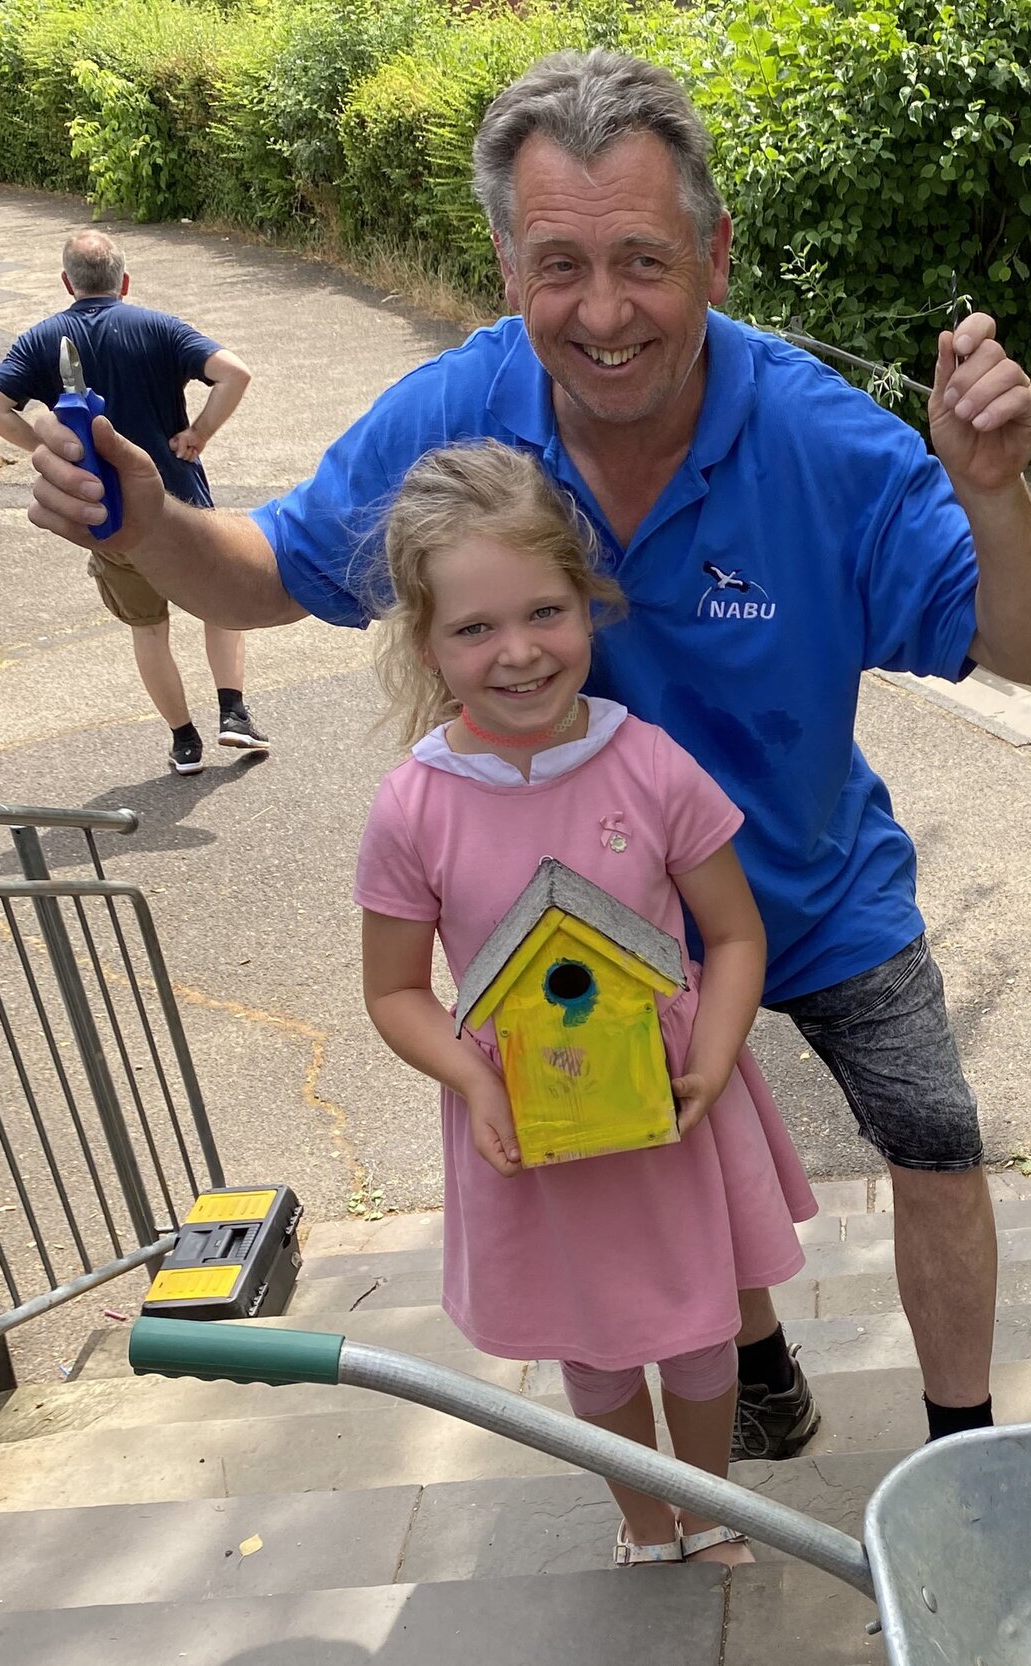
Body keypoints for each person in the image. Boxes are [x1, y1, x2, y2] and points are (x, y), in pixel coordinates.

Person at [22, 51, 1031, 1455]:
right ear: (507, 264)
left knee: (936, 1138)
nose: (603, 311)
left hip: (811, 881)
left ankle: (967, 1451)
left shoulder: (824, 440)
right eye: (559, 265)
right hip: (591, 916)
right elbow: (271, 574)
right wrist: (148, 521)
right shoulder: (453, 415)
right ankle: (755, 1363)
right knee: (653, 1142)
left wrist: (995, 494)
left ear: (715, 254)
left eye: (643, 259)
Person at [357, 439, 815, 1564]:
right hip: (529, 1124)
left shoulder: (648, 764)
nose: (518, 652)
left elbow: (734, 934)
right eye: (474, 628)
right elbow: (394, 989)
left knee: (700, 1334)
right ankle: (645, 1521)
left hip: (671, 1108)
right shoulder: (414, 807)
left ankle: (708, 1509)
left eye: (544, 613)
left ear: (587, 604)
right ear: (426, 643)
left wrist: (714, 1056)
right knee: (595, 1349)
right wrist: (473, 1079)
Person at [0, 230, 267, 776]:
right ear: (124, 281)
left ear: (68, 284)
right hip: (182, 500)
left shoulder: (41, 340)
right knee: (221, 602)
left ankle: (185, 743)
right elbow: (235, 373)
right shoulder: (159, 327)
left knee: (148, 628)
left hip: (106, 512)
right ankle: (234, 713)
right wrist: (198, 433)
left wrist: (48, 448)